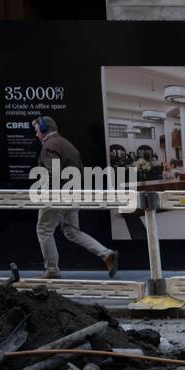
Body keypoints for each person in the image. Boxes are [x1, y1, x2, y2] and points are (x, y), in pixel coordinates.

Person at [33, 116, 118, 280]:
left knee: (43, 230)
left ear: (44, 129)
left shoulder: (49, 147)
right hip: (73, 193)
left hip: (57, 195)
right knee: (72, 231)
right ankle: (107, 254)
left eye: (37, 131)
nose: (36, 135)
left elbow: (53, 174)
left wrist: (47, 195)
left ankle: (52, 270)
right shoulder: (67, 144)